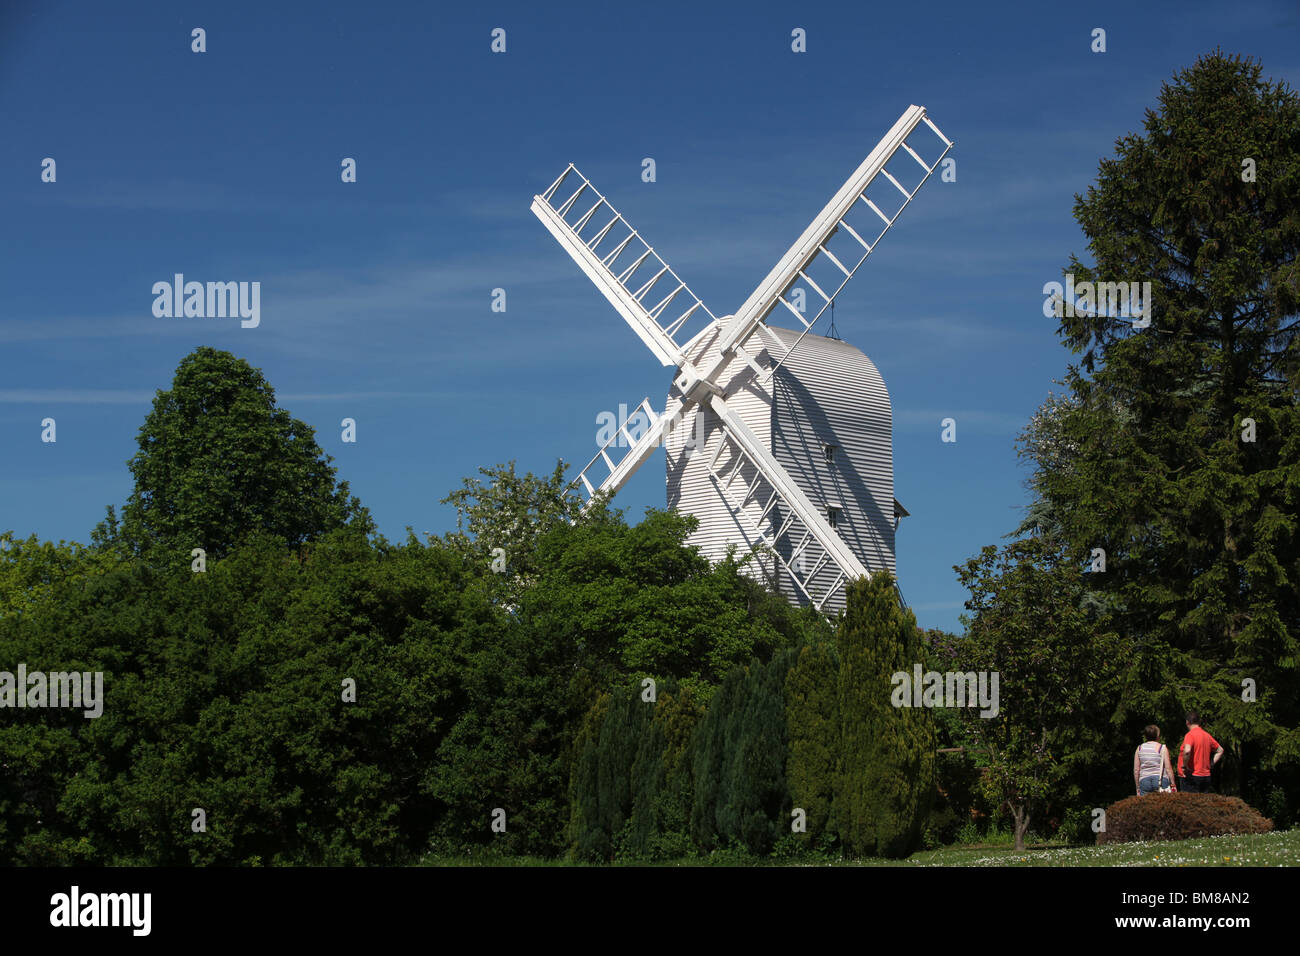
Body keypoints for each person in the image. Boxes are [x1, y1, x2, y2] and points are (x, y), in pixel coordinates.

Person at [1178, 710, 1224, 793]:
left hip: (1192, 776)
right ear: (1199, 722)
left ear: (1187, 722)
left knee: (1188, 804)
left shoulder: (1190, 735)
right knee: (1203, 804)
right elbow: (1220, 750)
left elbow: (1187, 751)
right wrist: (1211, 763)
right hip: (1205, 776)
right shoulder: (1207, 735)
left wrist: (1184, 766)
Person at [1133, 724, 1176, 796]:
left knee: (1145, 805)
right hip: (1160, 780)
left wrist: (1137, 787)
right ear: (1157, 735)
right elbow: (1168, 769)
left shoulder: (1139, 748)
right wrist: (1173, 784)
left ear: (1145, 736)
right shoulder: (1162, 748)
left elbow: (1136, 770)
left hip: (1144, 781)